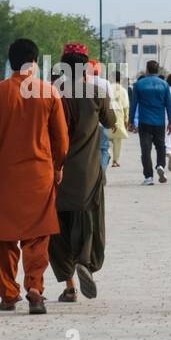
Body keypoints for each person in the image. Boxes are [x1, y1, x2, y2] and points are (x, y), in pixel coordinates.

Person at [0, 38, 69, 314]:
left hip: (5, 177)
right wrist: (58, 165)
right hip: (40, 174)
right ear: (35, 62)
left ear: (10, 62)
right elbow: (61, 140)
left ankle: (8, 292)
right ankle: (35, 287)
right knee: (38, 235)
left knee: (3, 236)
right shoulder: (49, 92)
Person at [50, 43, 115, 303]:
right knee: (88, 219)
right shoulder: (97, 93)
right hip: (88, 169)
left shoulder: (52, 93)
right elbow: (110, 122)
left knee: (57, 227)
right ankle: (85, 260)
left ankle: (69, 285)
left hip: (57, 169)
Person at [128, 60, 171, 185]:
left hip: (144, 121)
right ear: (158, 70)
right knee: (160, 146)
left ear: (147, 70)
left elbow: (134, 104)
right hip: (159, 121)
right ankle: (160, 165)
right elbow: (169, 104)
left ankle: (148, 177)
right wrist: (170, 121)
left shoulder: (139, 84)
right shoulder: (164, 84)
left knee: (146, 149)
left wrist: (131, 121)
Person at [107, 73, 131, 167]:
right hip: (119, 116)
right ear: (120, 80)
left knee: (107, 137)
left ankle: (107, 153)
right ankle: (115, 160)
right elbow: (126, 106)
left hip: (108, 115)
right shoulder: (123, 90)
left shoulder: (106, 88)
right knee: (117, 140)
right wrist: (126, 118)